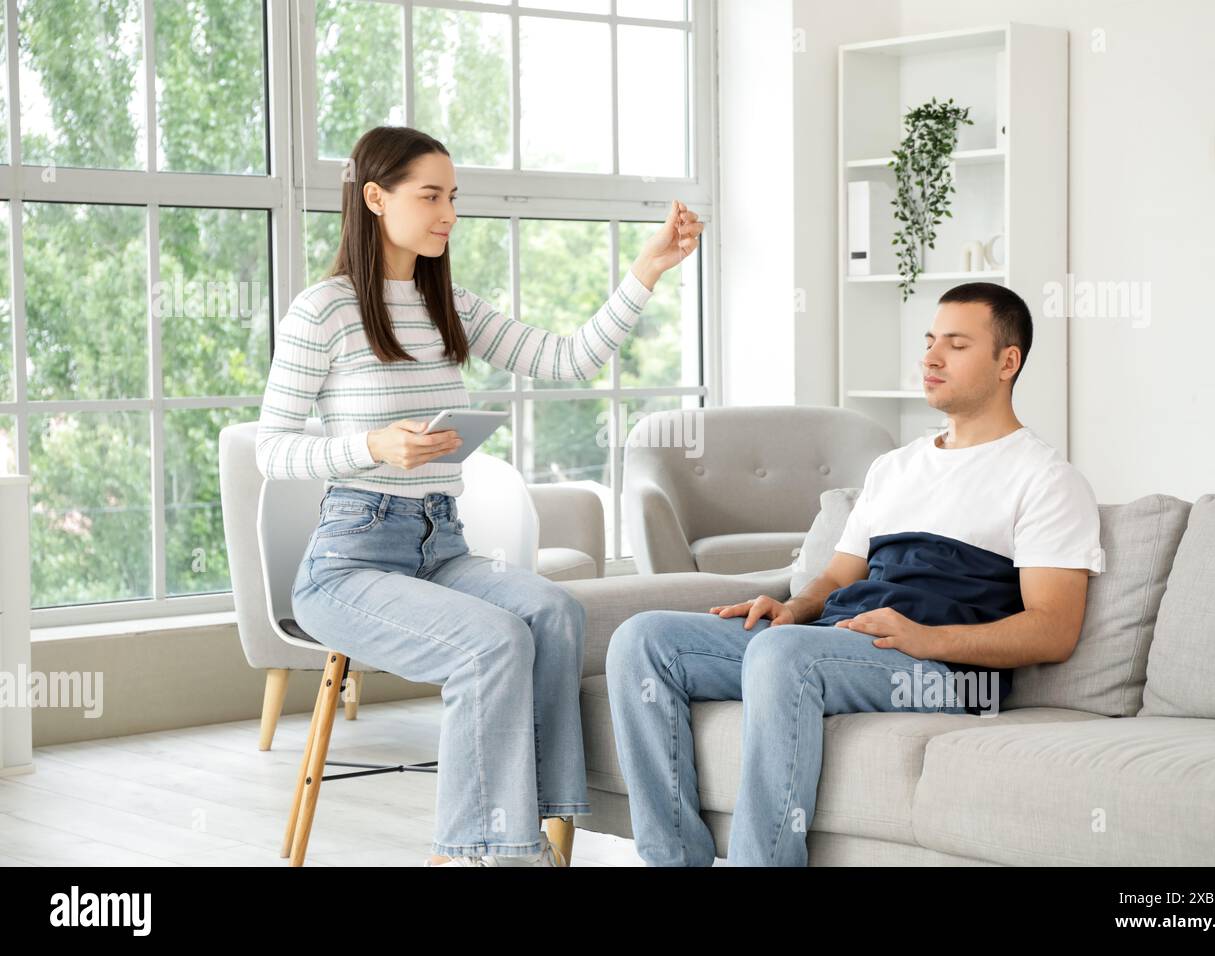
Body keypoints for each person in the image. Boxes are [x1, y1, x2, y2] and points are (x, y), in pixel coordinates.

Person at [255, 125, 703, 867]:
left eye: (452, 197)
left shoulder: (447, 304)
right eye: (430, 195)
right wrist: (372, 446)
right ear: (375, 197)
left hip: (440, 544)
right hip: (349, 562)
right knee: (493, 642)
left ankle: (538, 831)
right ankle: (495, 853)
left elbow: (567, 359)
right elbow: (271, 448)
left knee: (555, 612)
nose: (448, 213)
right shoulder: (323, 311)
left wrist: (647, 271)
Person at [605, 282, 1105, 866]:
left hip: (945, 673)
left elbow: (1053, 628)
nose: (931, 357)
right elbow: (837, 576)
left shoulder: (1044, 478)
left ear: (1007, 362)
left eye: (957, 344)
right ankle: (673, 860)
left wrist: (927, 640)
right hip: (837, 644)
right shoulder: (895, 467)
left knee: (784, 654)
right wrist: (791, 607)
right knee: (643, 640)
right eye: (929, 341)